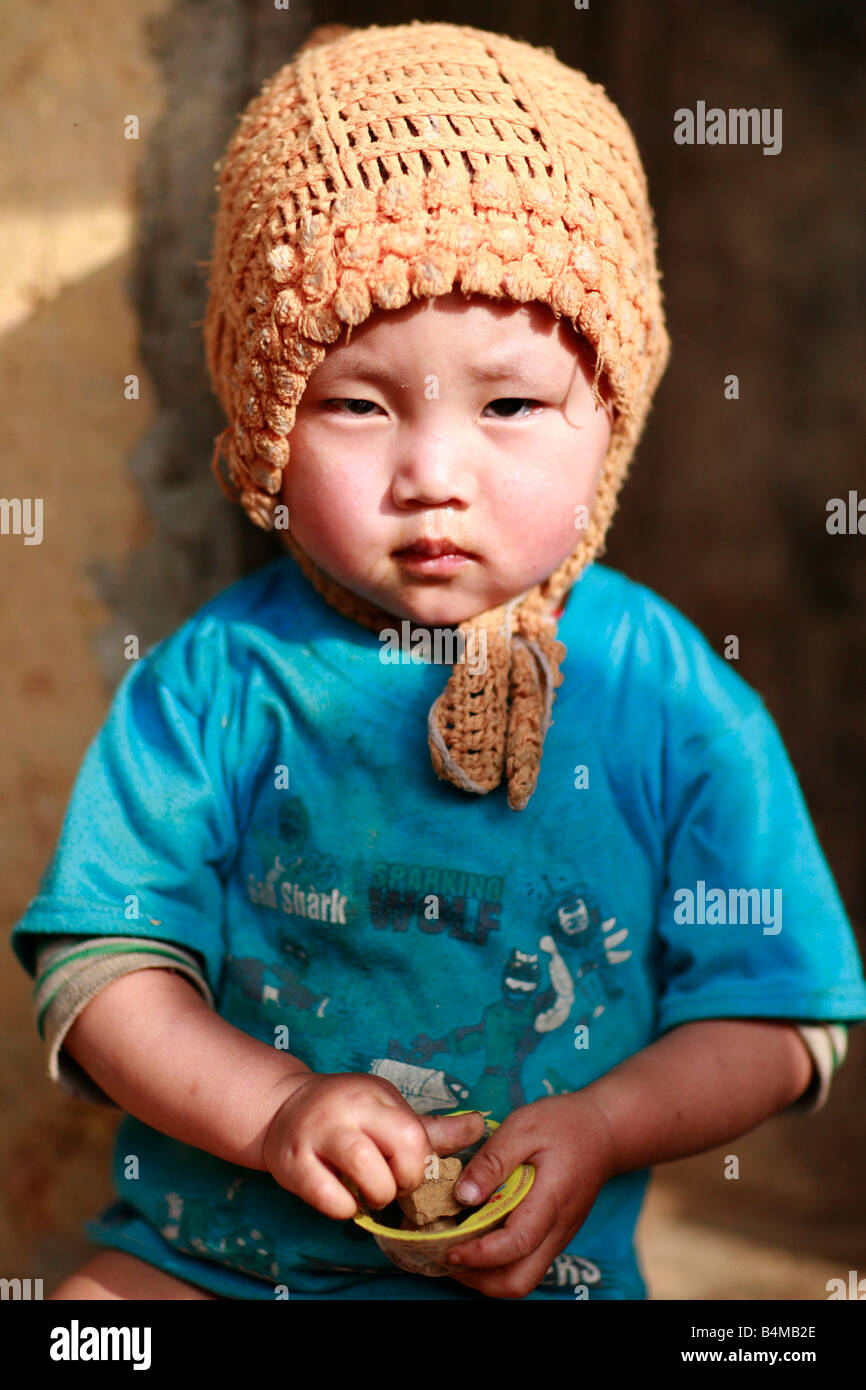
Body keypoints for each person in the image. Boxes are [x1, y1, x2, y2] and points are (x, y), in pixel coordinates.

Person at [11, 20, 866, 1302]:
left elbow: (783, 1016)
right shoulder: (219, 681)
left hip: (534, 1279)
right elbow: (101, 973)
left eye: (509, 406)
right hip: (211, 1264)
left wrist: (605, 1127)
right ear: (262, 425)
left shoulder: (665, 693)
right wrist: (274, 1107)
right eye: (356, 403)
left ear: (609, 418)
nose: (432, 476)